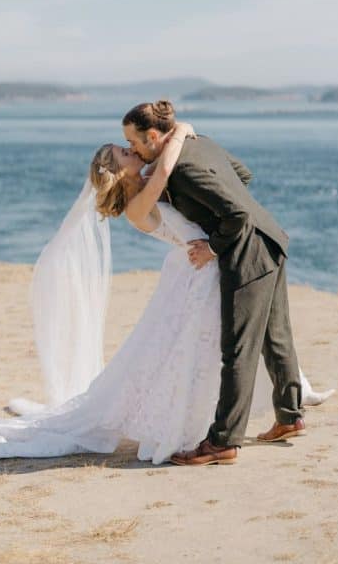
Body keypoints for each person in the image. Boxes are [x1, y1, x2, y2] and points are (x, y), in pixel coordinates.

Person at [0, 120, 331, 464]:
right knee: (229, 349)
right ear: (116, 171)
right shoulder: (138, 201)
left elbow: (209, 182)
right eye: (123, 152)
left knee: (251, 341)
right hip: (201, 272)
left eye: (129, 145)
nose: (131, 150)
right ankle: (228, 433)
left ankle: (277, 416)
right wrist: (180, 130)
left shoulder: (150, 183)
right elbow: (165, 169)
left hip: (210, 265)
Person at [121, 101, 306, 466]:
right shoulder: (198, 144)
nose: (133, 148)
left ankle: (223, 441)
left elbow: (235, 214)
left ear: (154, 136)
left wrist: (211, 246)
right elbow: (243, 175)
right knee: (275, 335)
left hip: (248, 252)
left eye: (134, 141)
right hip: (271, 238)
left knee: (237, 348)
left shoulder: (183, 171)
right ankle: (290, 416)